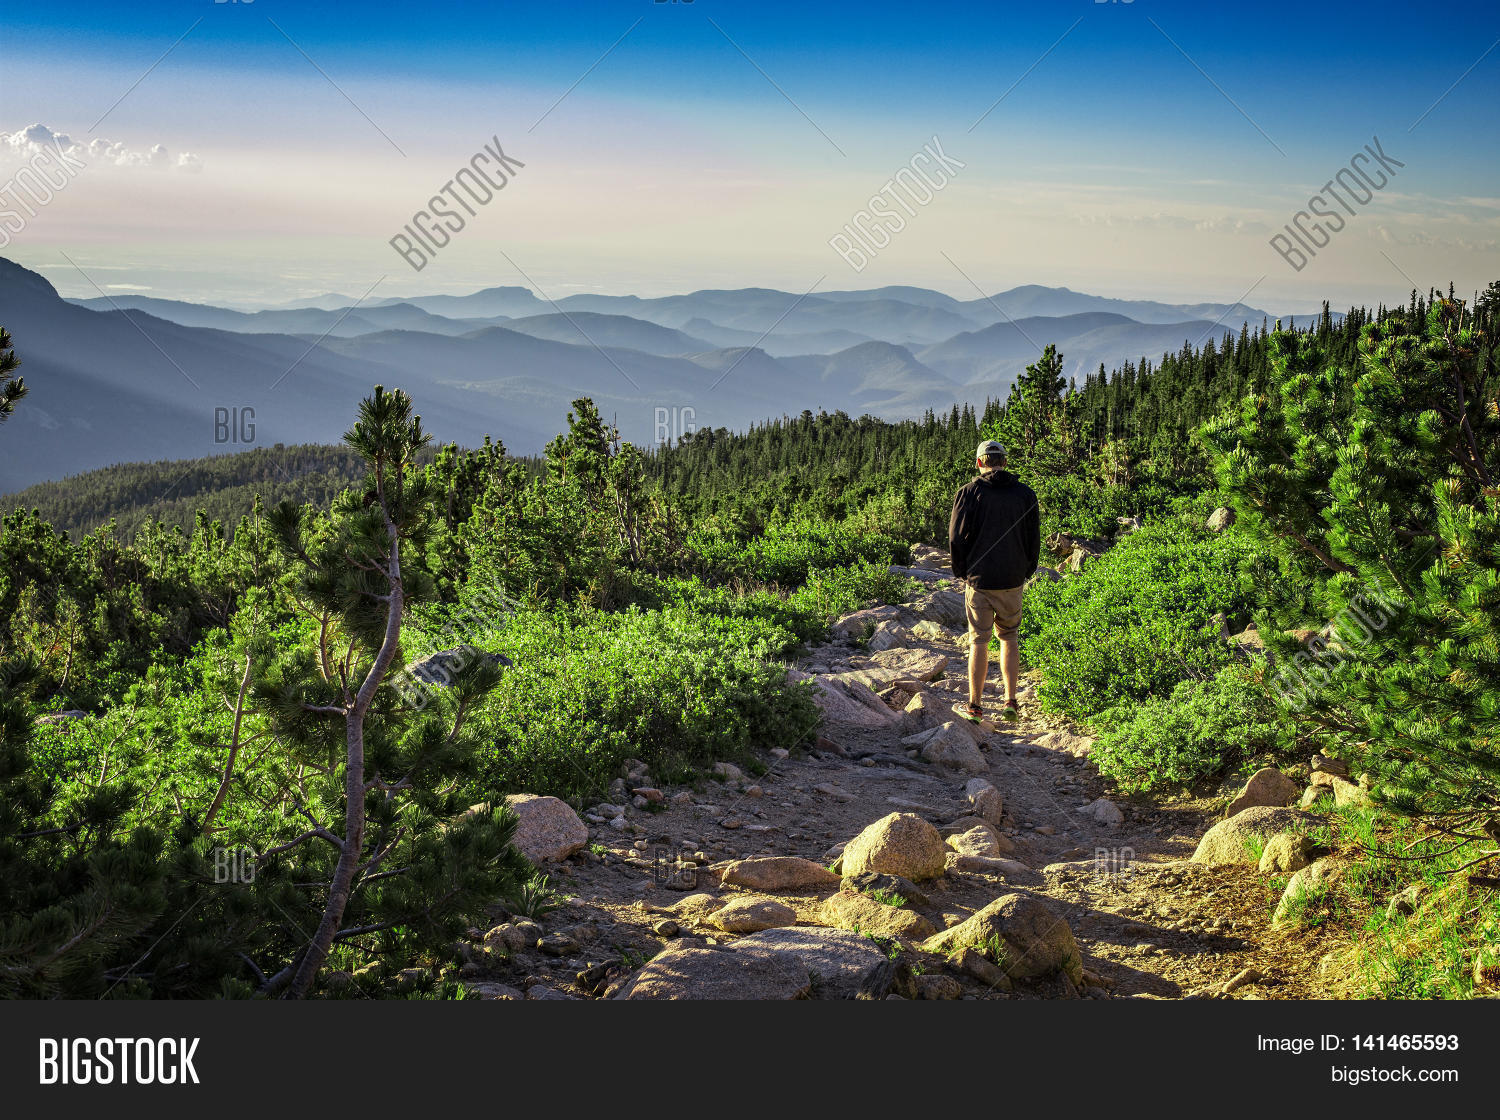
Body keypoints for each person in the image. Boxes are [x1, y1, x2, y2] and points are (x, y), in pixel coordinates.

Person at [948, 439, 1040, 721]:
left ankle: (974, 705)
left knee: (979, 641)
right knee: (1009, 637)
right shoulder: (1025, 494)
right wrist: (1027, 570)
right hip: (1012, 577)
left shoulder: (968, 492)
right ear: (1005, 461)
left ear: (979, 462)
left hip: (979, 579)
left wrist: (962, 570)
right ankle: (1010, 701)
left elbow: (954, 537)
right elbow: (1032, 538)